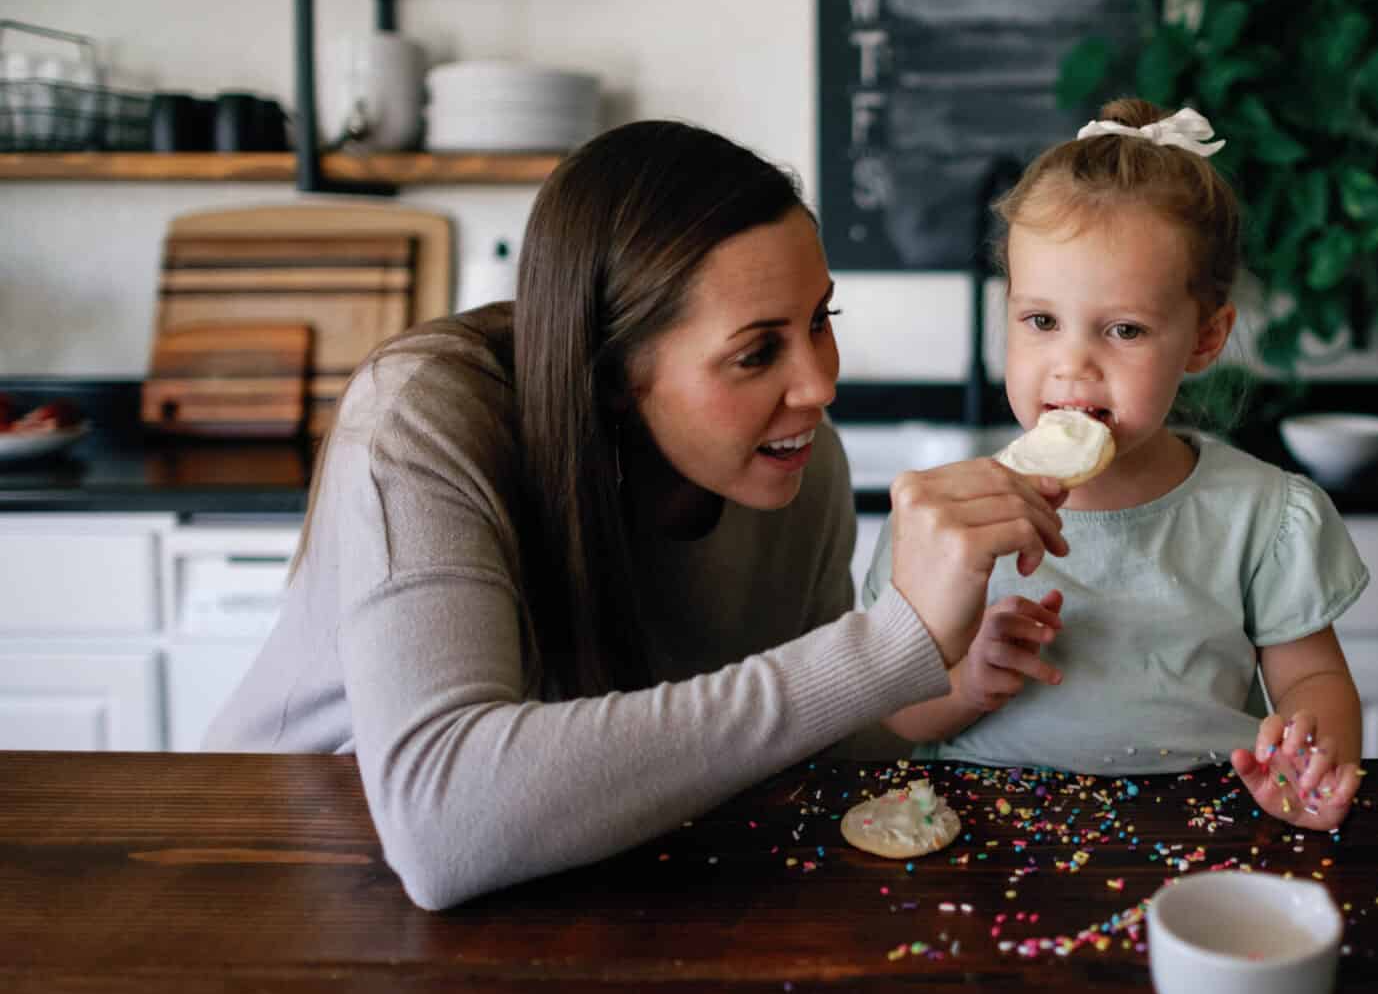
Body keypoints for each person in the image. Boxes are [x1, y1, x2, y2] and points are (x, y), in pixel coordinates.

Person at [204, 120, 1072, 909]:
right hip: (278, 883)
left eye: (821, 320)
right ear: (610, 375)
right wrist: (888, 644)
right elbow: (442, 829)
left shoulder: (800, 465)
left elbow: (773, 741)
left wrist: (939, 682)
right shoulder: (422, 417)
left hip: (566, 899)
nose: (819, 385)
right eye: (756, 352)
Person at [860, 99, 1370, 831]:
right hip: (985, 841)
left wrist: (1308, 753)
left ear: (1204, 338)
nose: (1072, 365)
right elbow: (901, 714)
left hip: (1204, 831)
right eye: (1040, 321)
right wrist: (968, 681)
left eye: (1124, 330)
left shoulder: (1264, 515)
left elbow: (1315, 679)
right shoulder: (947, 516)